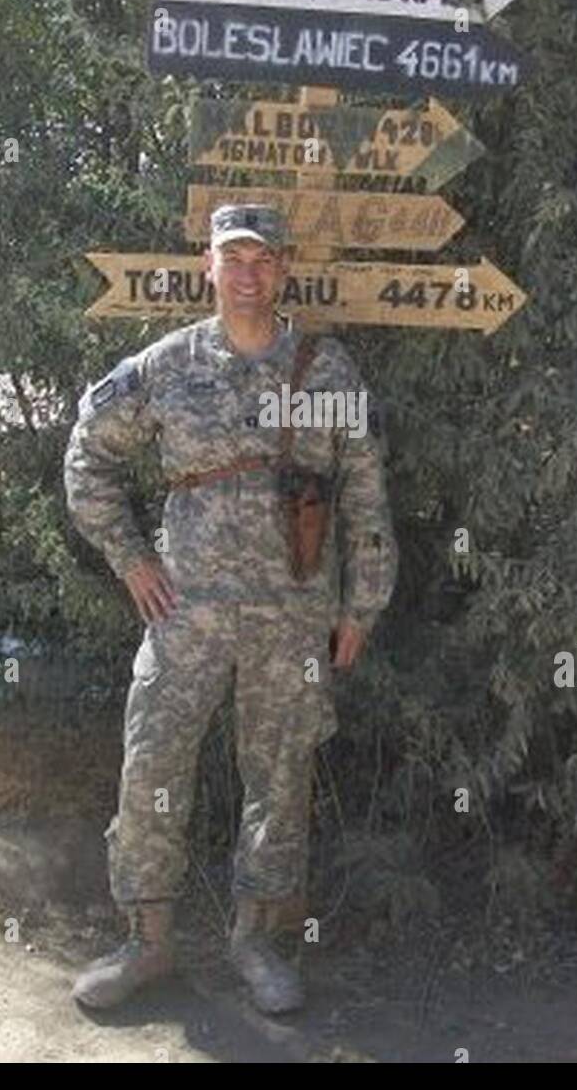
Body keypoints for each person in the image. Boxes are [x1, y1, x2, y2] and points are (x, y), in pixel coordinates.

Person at [63, 203, 398, 1015]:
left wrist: (362, 605)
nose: (248, 273)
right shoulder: (168, 366)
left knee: (280, 779)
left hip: (294, 618)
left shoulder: (327, 372)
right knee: (152, 765)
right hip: (186, 615)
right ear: (209, 268)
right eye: (232, 258)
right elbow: (87, 455)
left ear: (283, 269)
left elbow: (363, 492)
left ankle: (259, 943)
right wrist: (132, 557)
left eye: (263, 259)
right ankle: (147, 943)